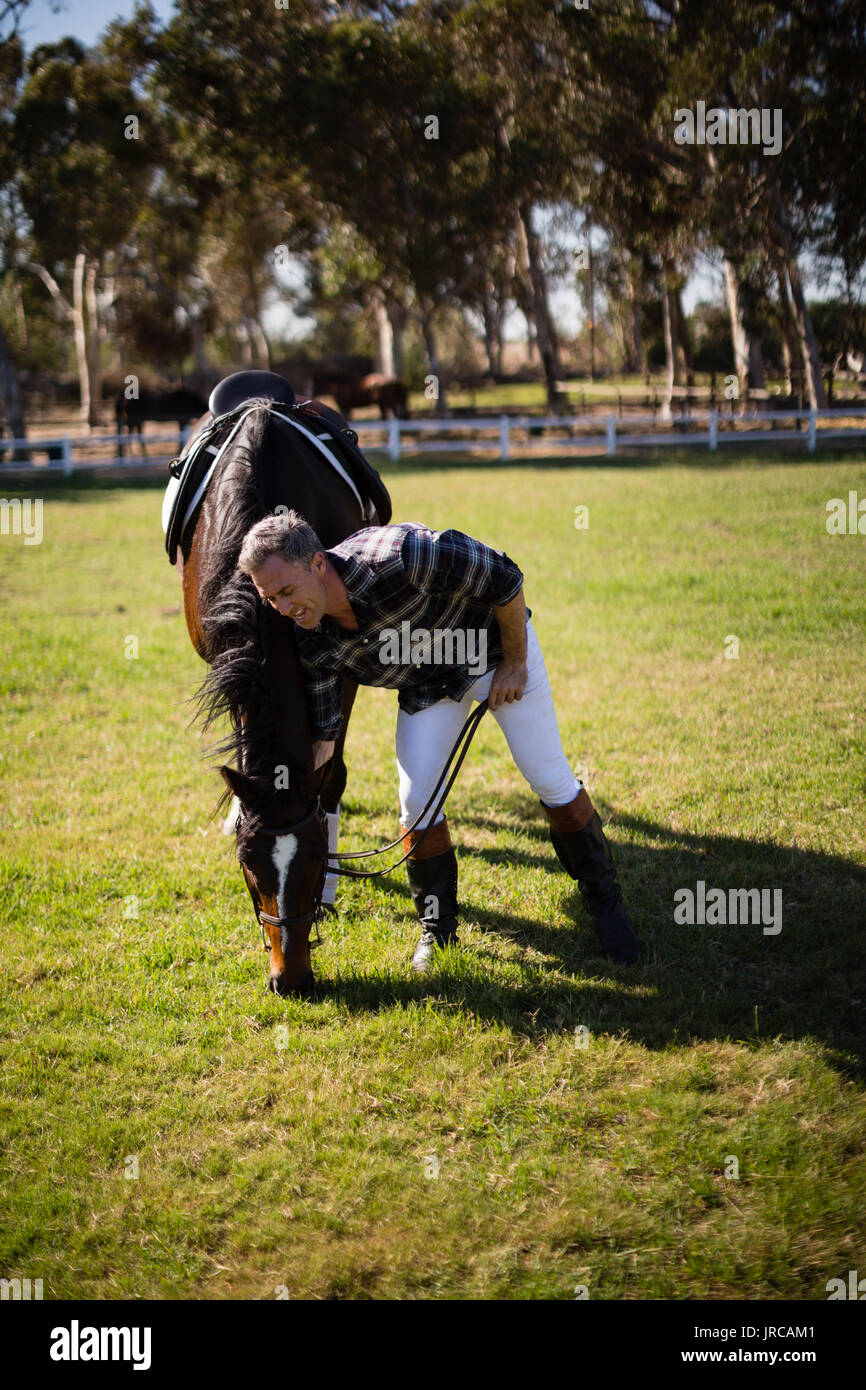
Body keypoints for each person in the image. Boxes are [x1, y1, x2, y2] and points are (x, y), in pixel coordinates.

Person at [237, 510, 639, 971]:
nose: (284, 609)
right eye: (271, 600)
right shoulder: (309, 638)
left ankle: (606, 905)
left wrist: (514, 661)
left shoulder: (402, 557)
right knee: (416, 804)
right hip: (428, 685)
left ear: (318, 563)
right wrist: (296, 797)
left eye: (287, 592)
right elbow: (326, 734)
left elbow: (505, 577)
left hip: (494, 656)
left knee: (548, 778)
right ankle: (438, 929)